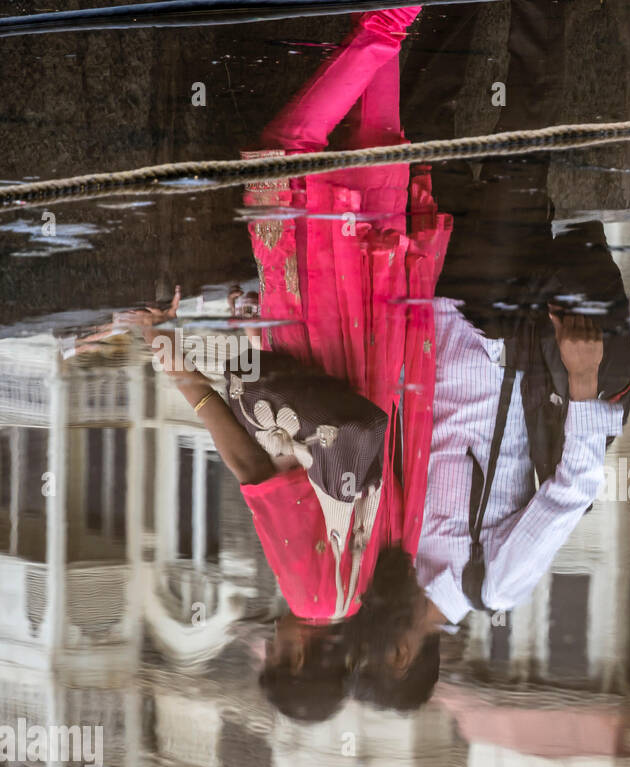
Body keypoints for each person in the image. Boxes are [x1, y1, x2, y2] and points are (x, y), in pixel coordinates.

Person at [156, 6, 453, 718]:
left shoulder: (382, 573)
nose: (267, 642)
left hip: (382, 325)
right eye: (272, 655)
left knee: (375, 143)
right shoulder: (318, 595)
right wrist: (186, 377)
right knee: (285, 156)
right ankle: (388, 19)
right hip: (328, 333)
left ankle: (391, 25)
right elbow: (262, 473)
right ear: (294, 656)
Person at [358, 0, 630, 688]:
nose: (353, 627)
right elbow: (572, 488)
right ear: (401, 655)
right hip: (494, 321)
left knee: (422, 133)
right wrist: (582, 378)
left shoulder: (384, 560)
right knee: (524, 136)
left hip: (422, 309)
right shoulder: (490, 583)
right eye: (362, 647)